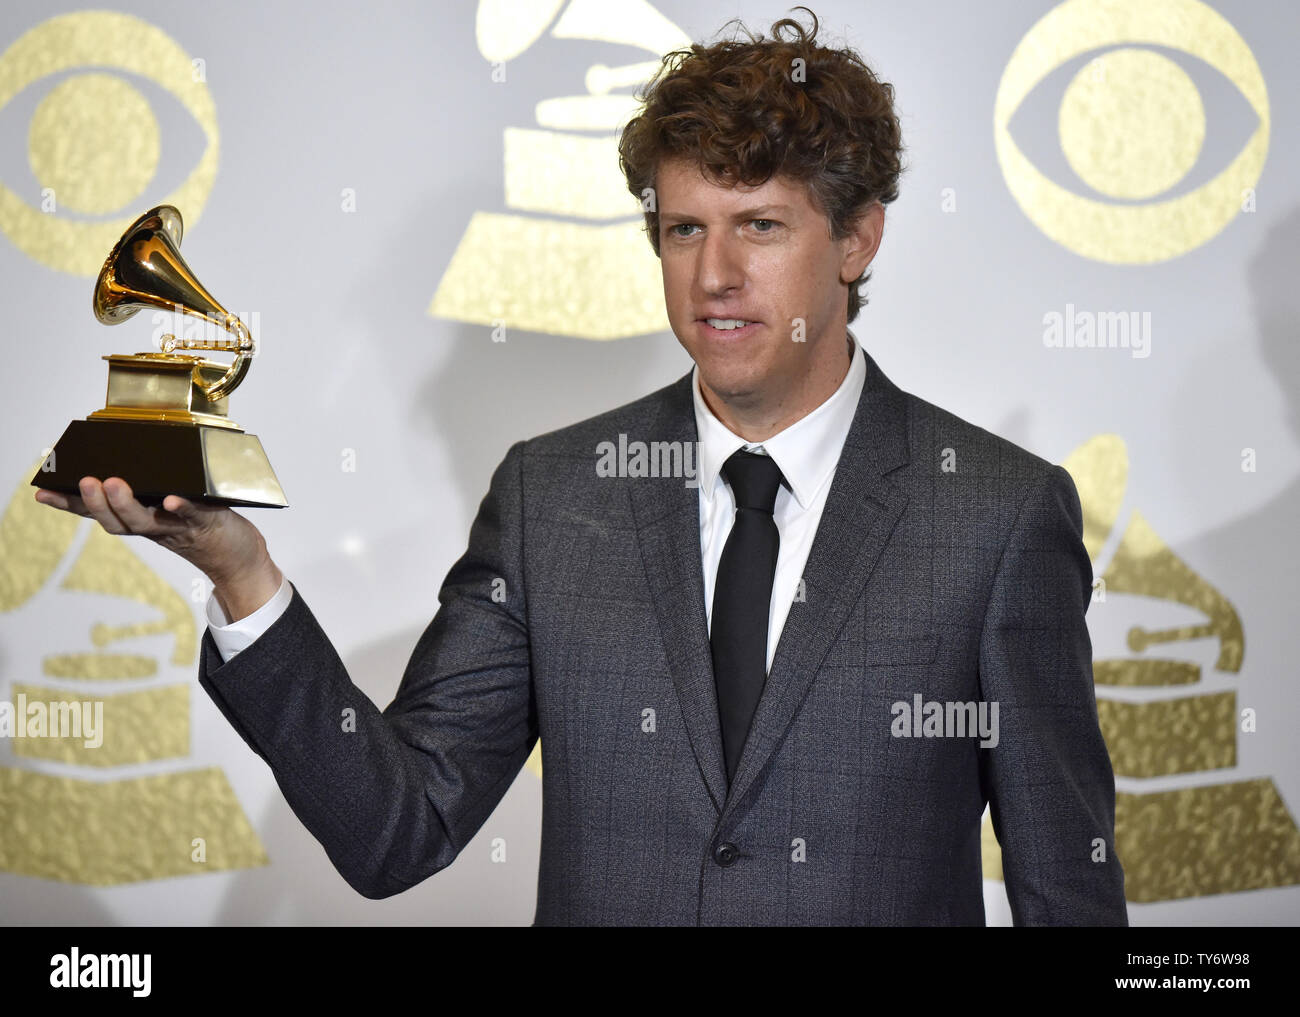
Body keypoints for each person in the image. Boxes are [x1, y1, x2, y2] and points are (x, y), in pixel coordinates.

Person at [34, 7, 1127, 925]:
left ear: (857, 241)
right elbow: (396, 831)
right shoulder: (555, 498)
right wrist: (240, 572)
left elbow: (1064, 893)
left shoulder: (994, 515)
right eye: (683, 230)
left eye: (759, 226)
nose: (715, 276)